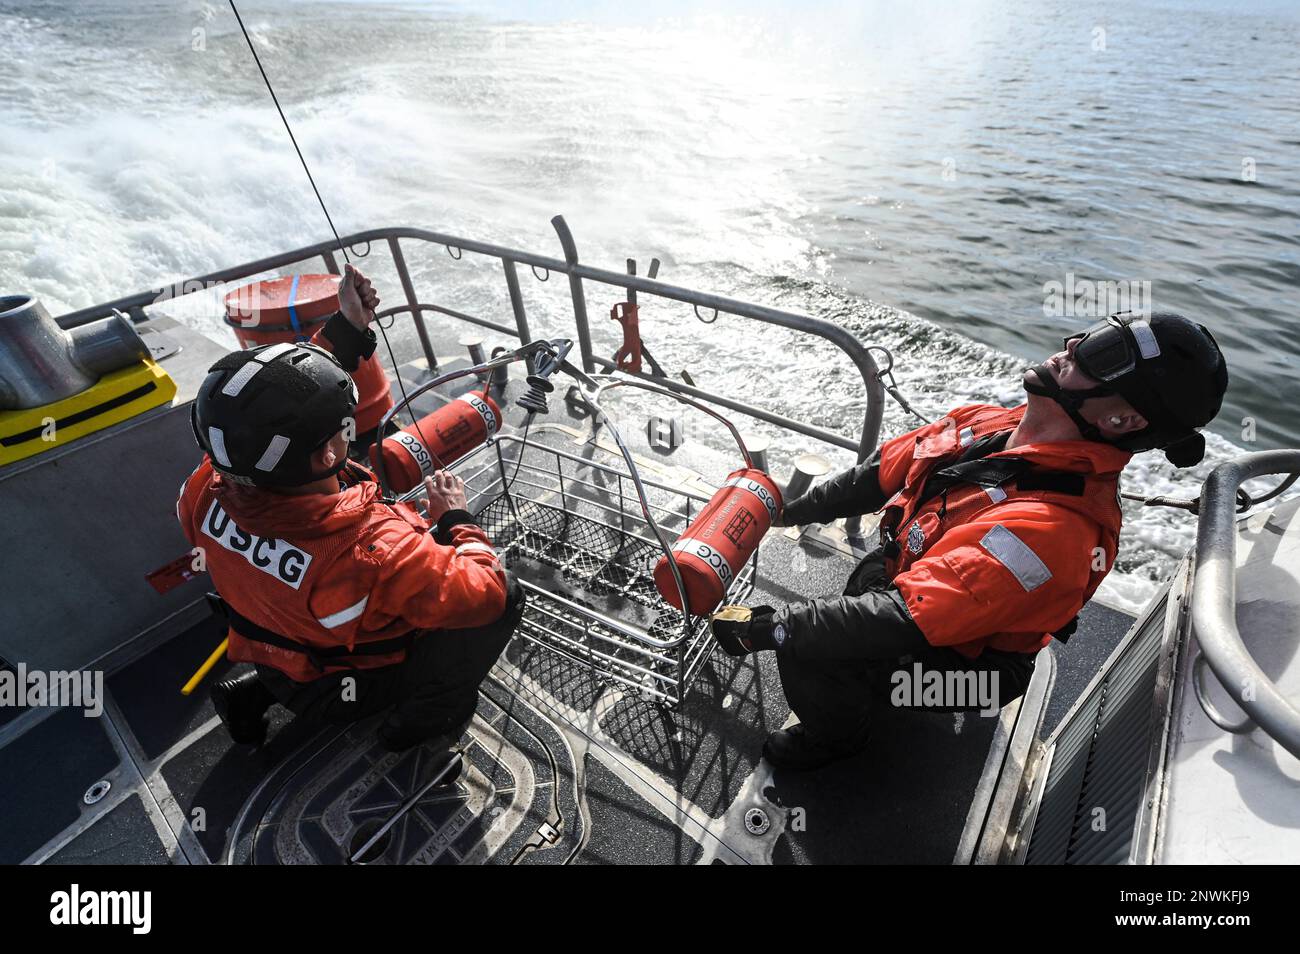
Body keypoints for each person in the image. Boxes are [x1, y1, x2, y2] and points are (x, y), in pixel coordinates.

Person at [711, 312, 1228, 771]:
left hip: (974, 676)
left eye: (1100, 354)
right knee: (857, 591)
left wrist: (773, 627)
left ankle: (836, 740)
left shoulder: (1055, 530)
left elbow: (906, 617)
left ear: (1122, 420)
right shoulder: (986, 424)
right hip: (915, 602)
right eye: (1091, 335)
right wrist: (786, 511)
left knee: (807, 649)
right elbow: (877, 478)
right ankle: (869, 685)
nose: (1072, 345)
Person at [177, 264, 523, 751]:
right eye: (343, 431)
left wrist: (346, 326)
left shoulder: (204, 486)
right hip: (348, 684)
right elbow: (481, 593)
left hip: (274, 652)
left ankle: (257, 693)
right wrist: (455, 518)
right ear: (323, 454)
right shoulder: (376, 552)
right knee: (506, 595)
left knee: (304, 630)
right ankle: (419, 722)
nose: (349, 437)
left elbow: (276, 407)